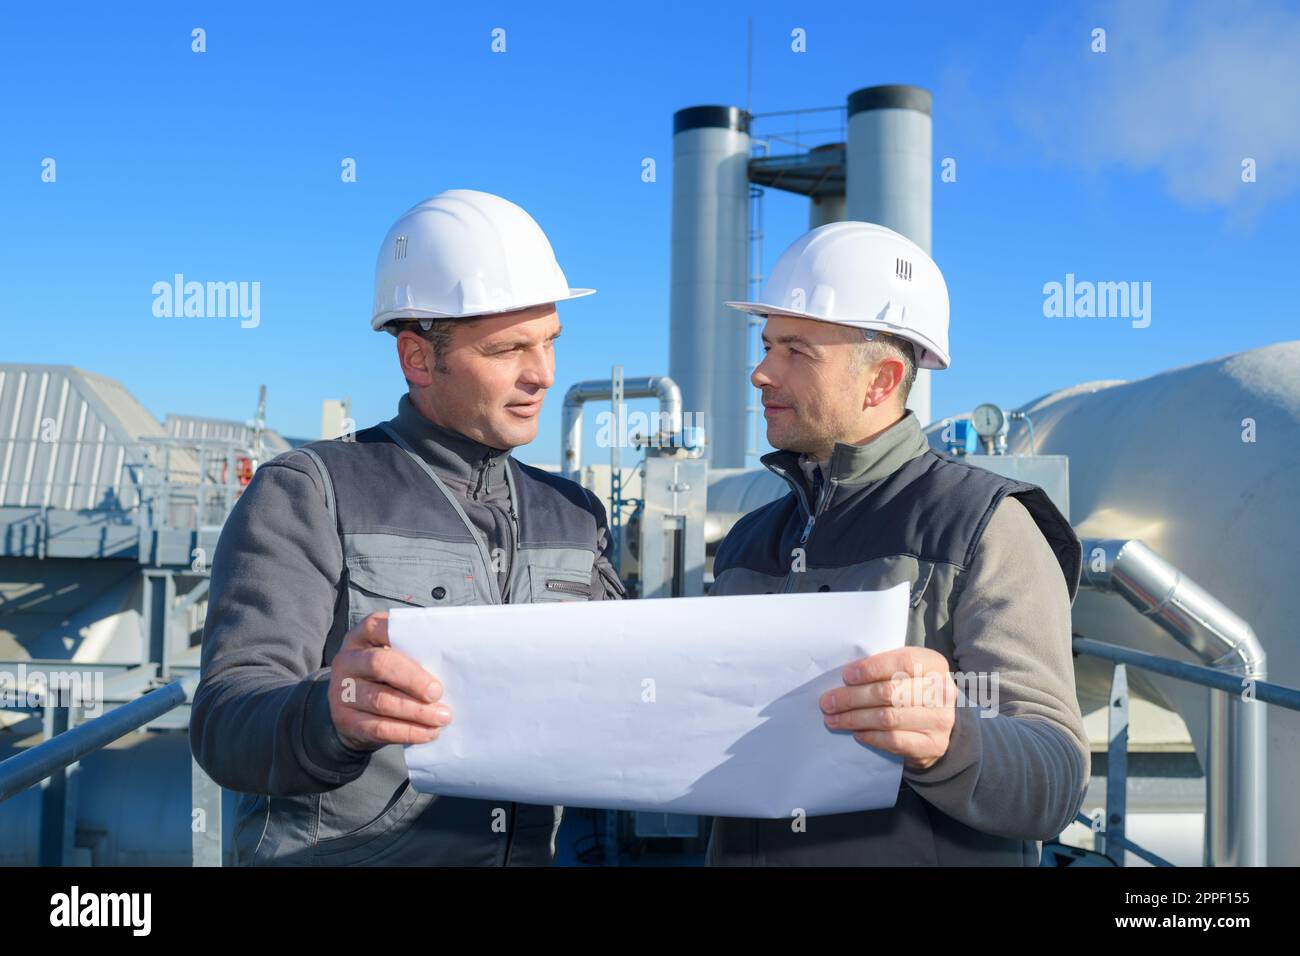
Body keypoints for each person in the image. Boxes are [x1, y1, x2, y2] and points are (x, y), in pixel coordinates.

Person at [190, 189, 625, 866]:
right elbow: (224, 720)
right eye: (509, 348)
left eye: (549, 342)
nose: (541, 374)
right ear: (418, 359)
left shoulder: (572, 515)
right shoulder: (310, 492)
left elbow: (631, 686)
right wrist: (327, 717)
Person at [706, 221, 1089, 865]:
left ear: (881, 381)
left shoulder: (985, 527)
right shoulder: (750, 540)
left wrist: (950, 739)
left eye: (795, 350)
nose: (760, 373)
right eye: (767, 344)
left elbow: (1056, 781)